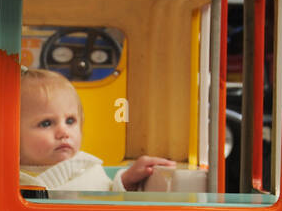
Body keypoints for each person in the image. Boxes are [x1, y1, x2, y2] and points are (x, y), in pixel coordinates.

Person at [19, 67, 175, 191]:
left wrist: (127, 180)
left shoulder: (86, 168)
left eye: (70, 121)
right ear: (10, 132)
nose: (64, 132)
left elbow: (108, 199)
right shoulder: (3, 177)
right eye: (46, 123)